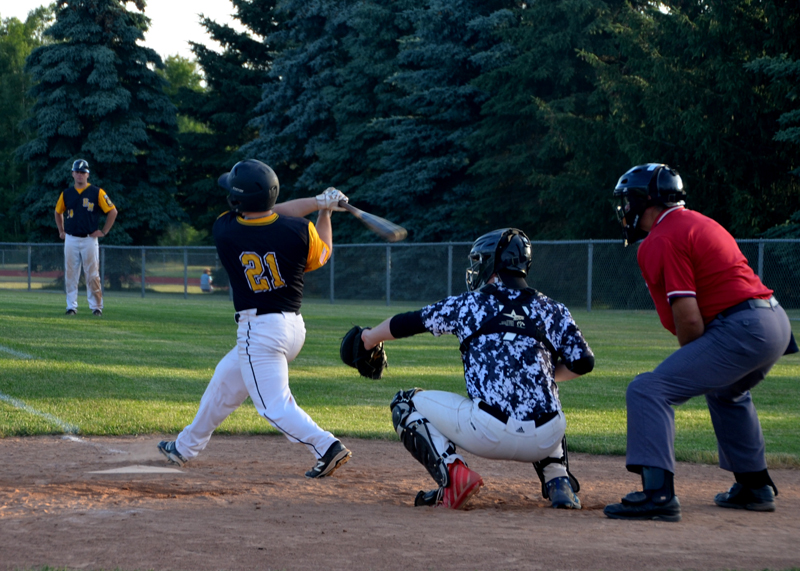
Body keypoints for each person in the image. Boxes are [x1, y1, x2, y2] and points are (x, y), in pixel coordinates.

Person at [604, 163, 797, 522]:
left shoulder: (661, 237)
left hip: (744, 326)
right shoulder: (697, 221)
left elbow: (689, 319)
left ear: (647, 201)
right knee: (727, 392)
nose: (625, 209)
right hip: (774, 322)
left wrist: (690, 361)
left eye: (629, 200)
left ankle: (658, 495)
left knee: (648, 389)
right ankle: (755, 486)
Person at [355, 228, 595, 509]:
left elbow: (410, 322)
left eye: (480, 261)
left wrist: (369, 338)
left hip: (488, 433)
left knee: (404, 404)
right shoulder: (553, 309)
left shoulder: (469, 304)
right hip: (547, 437)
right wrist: (542, 375)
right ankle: (559, 482)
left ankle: (454, 474)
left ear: (493, 263)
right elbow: (584, 362)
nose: (476, 268)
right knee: (541, 399)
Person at [158, 159, 353, 479]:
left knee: (273, 406)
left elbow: (274, 215)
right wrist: (323, 210)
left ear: (238, 201)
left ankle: (326, 446)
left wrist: (320, 202)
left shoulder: (225, 229)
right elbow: (322, 249)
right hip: (292, 328)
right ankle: (184, 447)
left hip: (259, 331)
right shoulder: (300, 231)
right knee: (224, 381)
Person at [54, 159, 118, 316]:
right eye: (77, 172)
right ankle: (71, 307)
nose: (80, 175)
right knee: (71, 273)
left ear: (88, 174)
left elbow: (113, 211)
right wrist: (61, 230)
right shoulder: (67, 193)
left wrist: (103, 231)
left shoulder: (97, 192)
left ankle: (96, 307)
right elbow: (58, 211)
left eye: (83, 172)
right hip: (71, 238)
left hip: (89, 238)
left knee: (92, 274)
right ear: (72, 174)